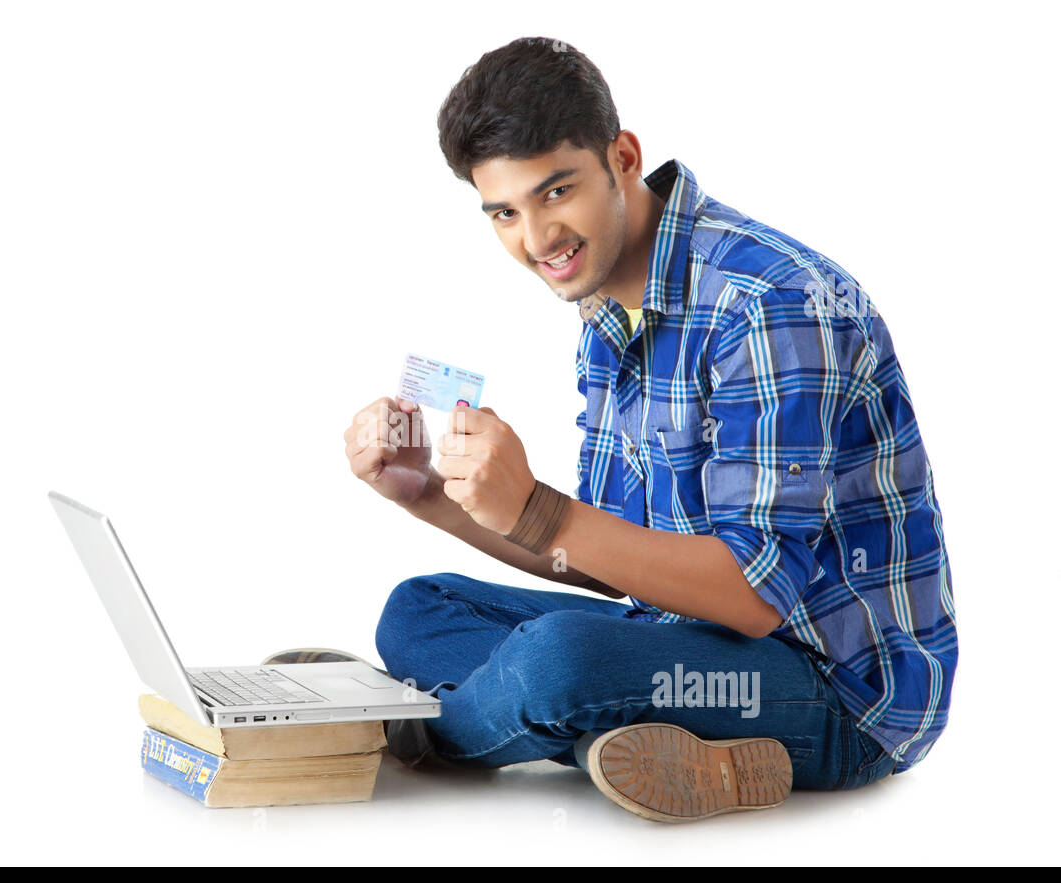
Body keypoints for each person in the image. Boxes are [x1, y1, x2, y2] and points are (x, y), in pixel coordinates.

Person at [274, 36, 958, 822]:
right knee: (418, 609)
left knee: (560, 661)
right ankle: (658, 745)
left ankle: (397, 735)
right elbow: (611, 562)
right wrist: (429, 494)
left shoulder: (769, 306)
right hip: (686, 646)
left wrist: (537, 508)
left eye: (555, 192)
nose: (536, 242)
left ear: (623, 158)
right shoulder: (606, 306)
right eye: (504, 212)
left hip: (838, 693)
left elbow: (755, 596)